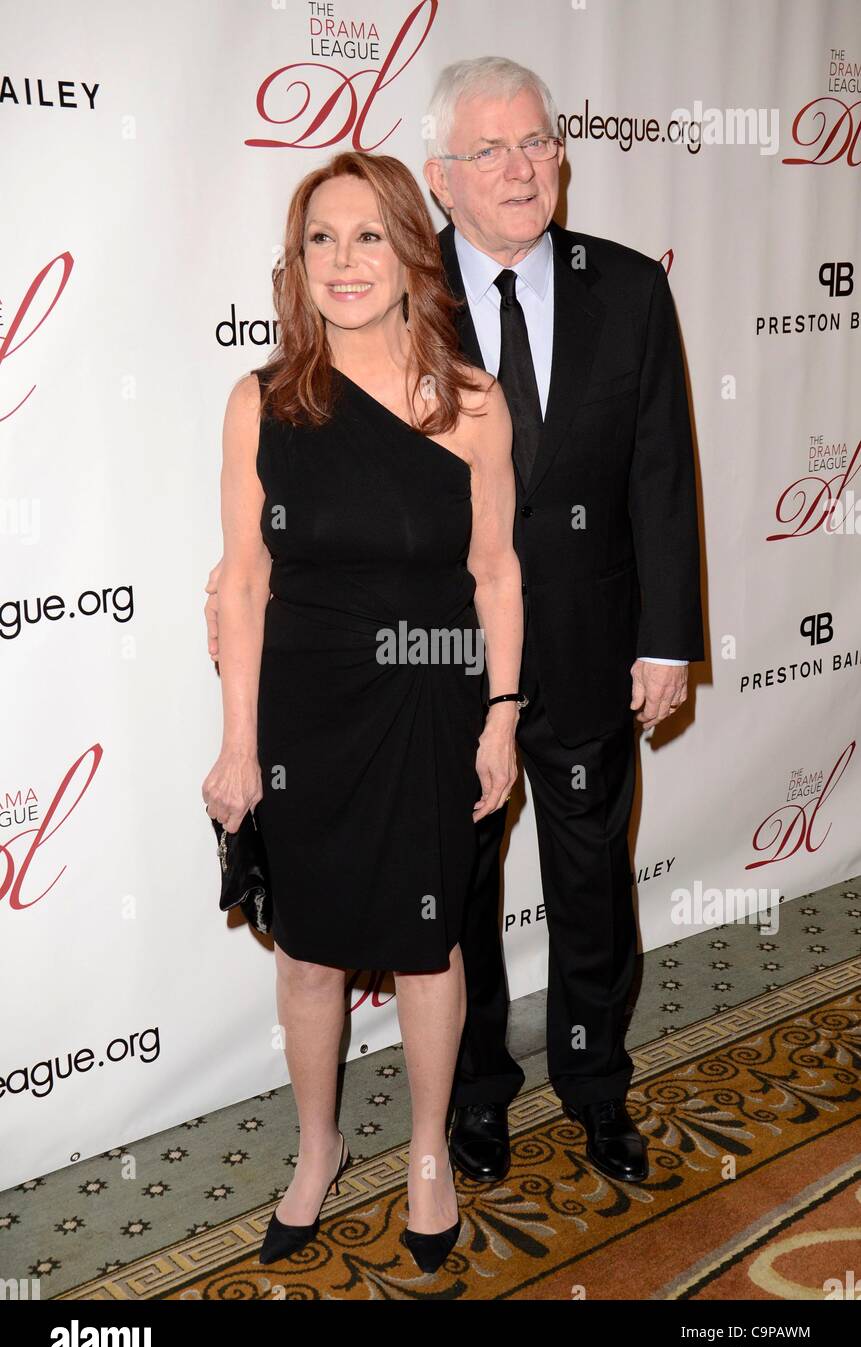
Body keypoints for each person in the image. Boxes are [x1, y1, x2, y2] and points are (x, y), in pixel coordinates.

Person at [206, 56, 704, 1193]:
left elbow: (662, 473)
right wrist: (239, 578)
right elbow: (322, 472)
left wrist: (668, 636)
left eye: (537, 143)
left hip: (579, 639)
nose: (521, 168)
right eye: (488, 151)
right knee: (456, 896)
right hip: (428, 666)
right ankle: (473, 1102)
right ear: (440, 175)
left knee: (591, 881)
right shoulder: (395, 287)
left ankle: (596, 1087)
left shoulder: (628, 287)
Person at [201, 148, 523, 1274]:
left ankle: (429, 1153)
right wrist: (238, 743)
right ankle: (320, 1144)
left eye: (368, 236)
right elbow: (242, 583)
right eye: (321, 240)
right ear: (298, 263)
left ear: (410, 251)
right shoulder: (263, 401)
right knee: (309, 953)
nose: (344, 261)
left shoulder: (471, 403)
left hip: (433, 699)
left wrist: (501, 717)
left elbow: (496, 573)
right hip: (307, 707)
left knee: (432, 948)